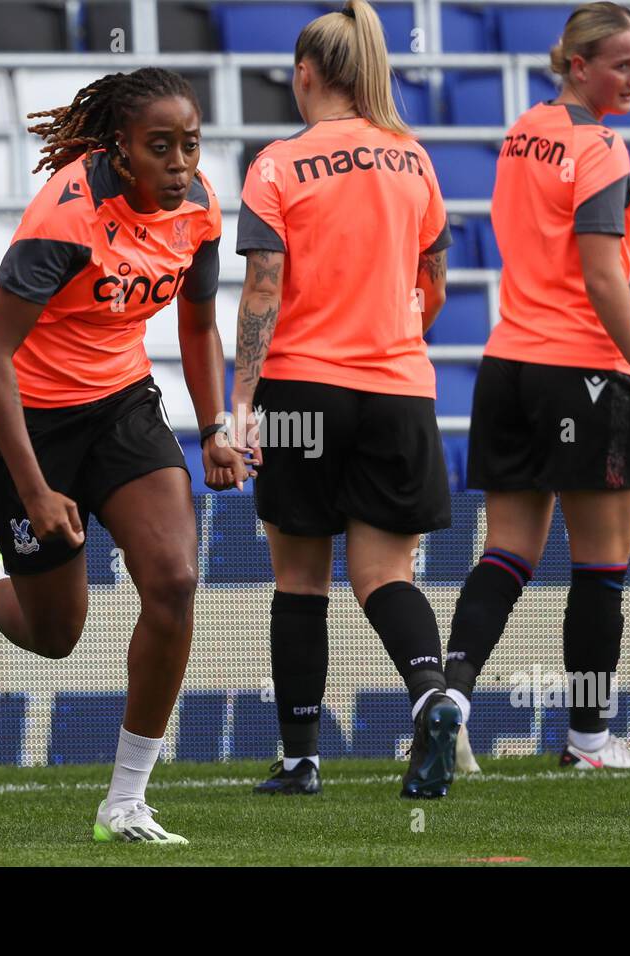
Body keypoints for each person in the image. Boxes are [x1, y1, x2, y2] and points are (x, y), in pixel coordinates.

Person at [0, 67, 249, 844]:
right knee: (57, 637)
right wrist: (37, 489)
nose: (181, 163)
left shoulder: (200, 210)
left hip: (119, 403)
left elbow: (197, 325)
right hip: (21, 415)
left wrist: (216, 425)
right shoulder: (66, 217)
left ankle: (125, 801)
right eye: (162, 147)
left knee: (176, 581)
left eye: (190, 144)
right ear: (121, 149)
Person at [231, 0, 460, 798]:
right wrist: (396, 335)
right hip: (399, 389)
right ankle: (431, 693)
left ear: (305, 74)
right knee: (385, 573)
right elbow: (434, 283)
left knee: (300, 578)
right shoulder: (413, 159)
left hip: (303, 387)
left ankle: (300, 762)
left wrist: (241, 402)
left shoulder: (277, 164)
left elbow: (263, 289)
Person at [442, 2, 630, 772]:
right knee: (602, 565)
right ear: (579, 65)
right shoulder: (601, 147)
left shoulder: (522, 131)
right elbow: (603, 276)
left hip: (508, 362)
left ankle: (450, 698)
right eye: (623, 64)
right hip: (584, 367)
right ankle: (588, 740)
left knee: (506, 553)